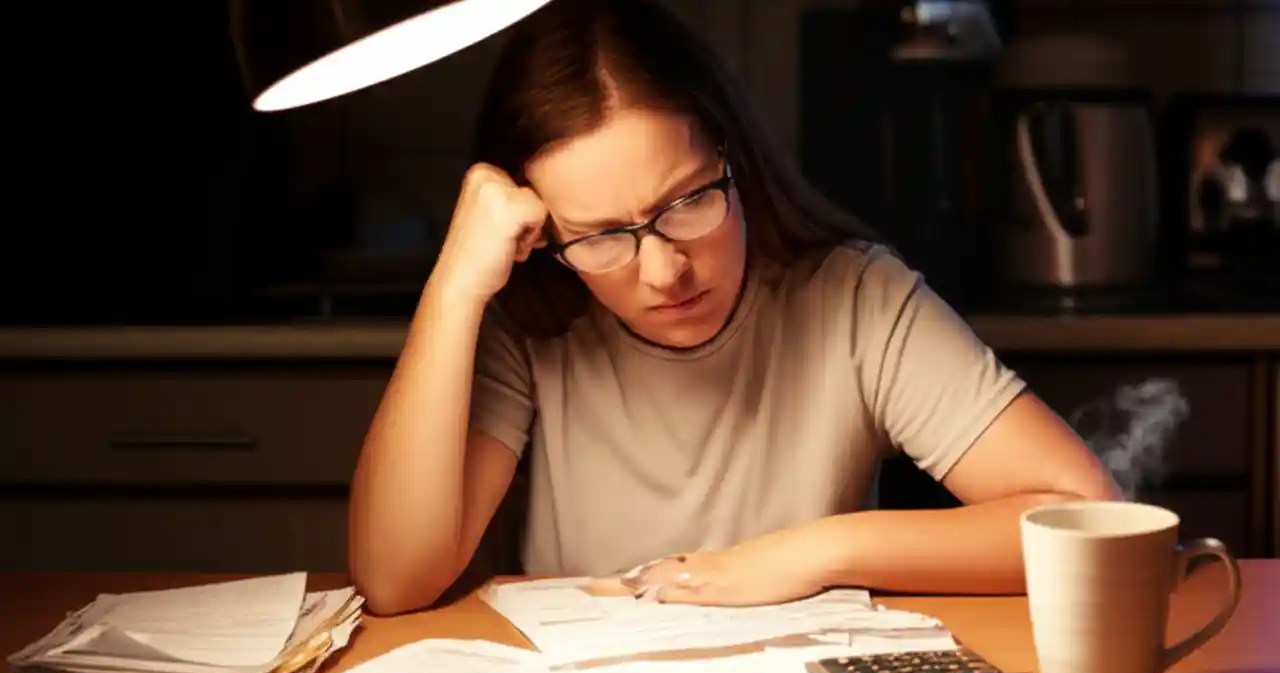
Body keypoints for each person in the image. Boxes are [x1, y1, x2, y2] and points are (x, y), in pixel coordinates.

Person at [347, 0, 1122, 616]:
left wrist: (813, 552)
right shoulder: (532, 322)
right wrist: (454, 285)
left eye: (687, 201)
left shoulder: (857, 300)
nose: (664, 271)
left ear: (733, 158)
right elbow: (393, 581)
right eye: (602, 237)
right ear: (545, 236)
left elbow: (1088, 519)